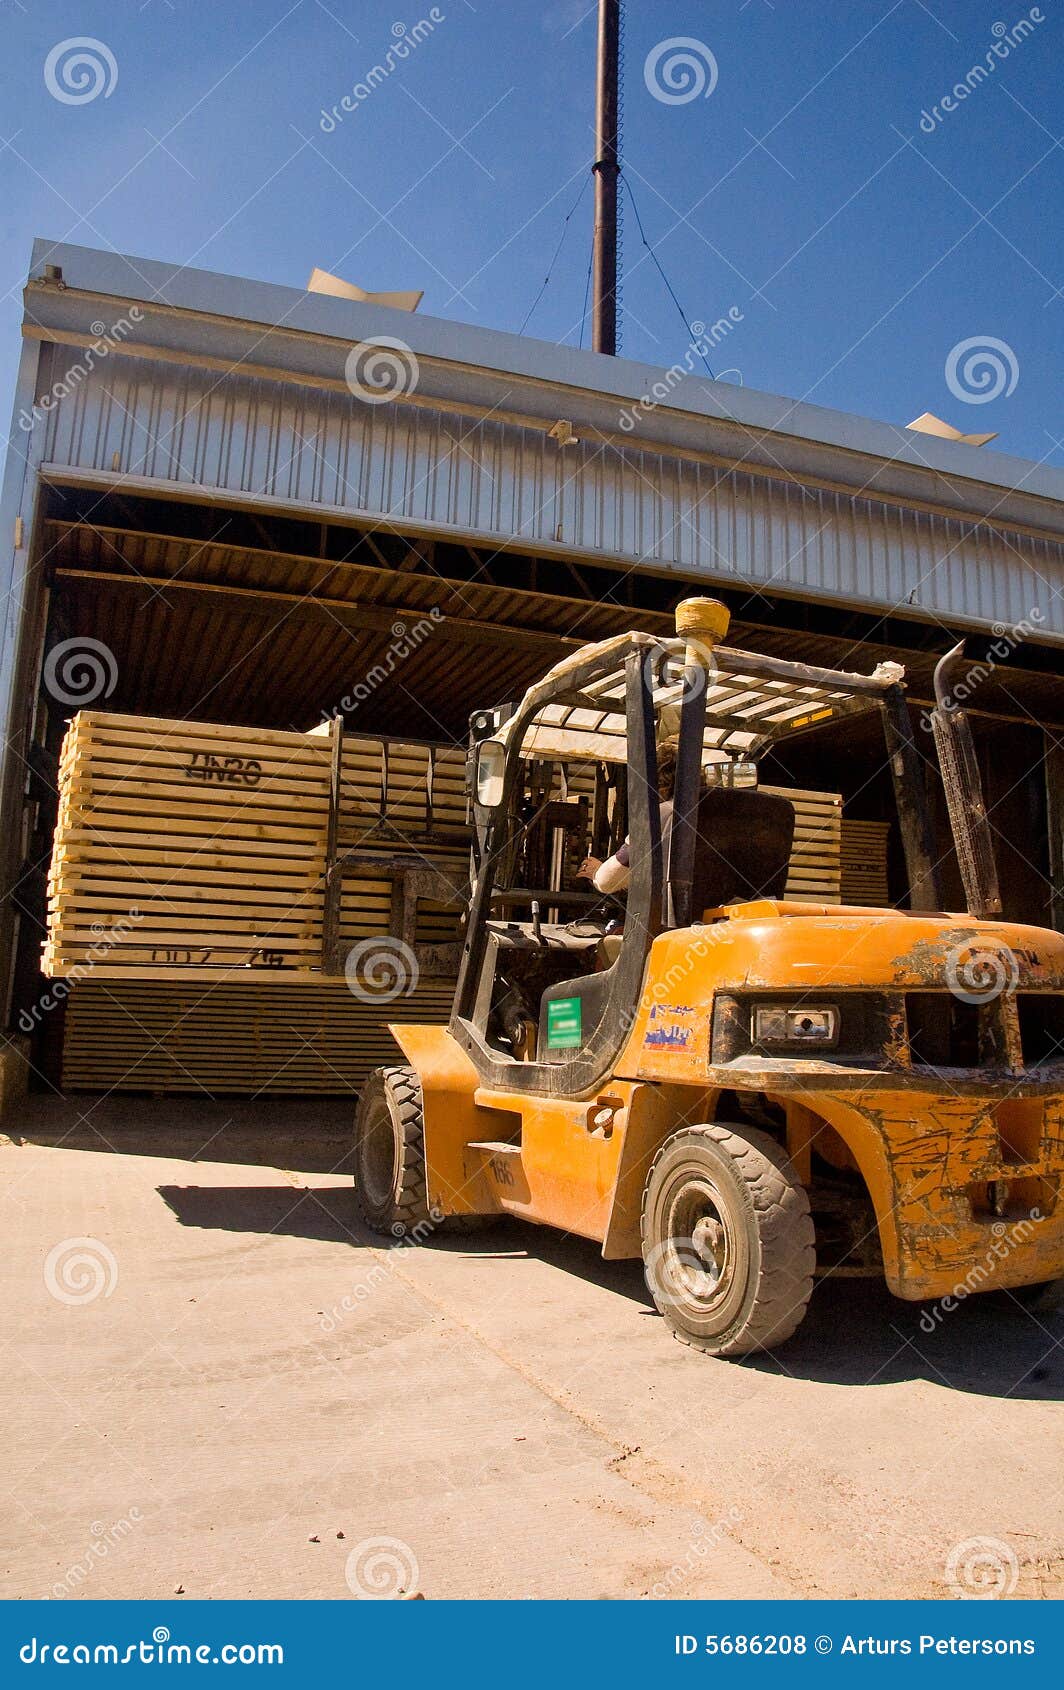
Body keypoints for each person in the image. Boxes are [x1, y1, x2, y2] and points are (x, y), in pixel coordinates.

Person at [577, 738, 685, 894]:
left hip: (669, 911)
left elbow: (607, 881)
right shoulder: (714, 813)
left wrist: (596, 872)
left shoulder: (661, 815)